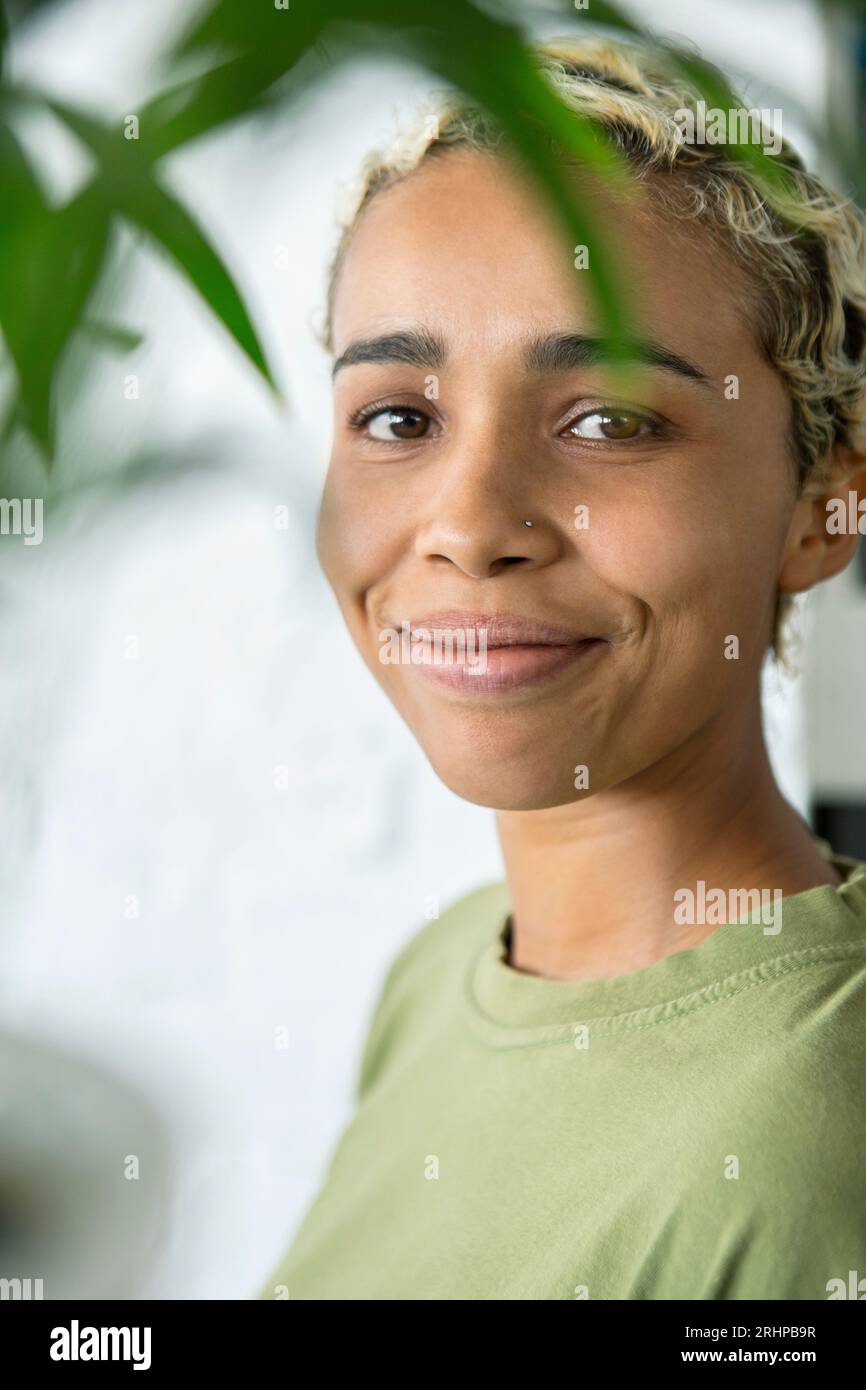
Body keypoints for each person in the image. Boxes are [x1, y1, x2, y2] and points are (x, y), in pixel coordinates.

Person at [262, 35, 866, 1300]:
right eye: (397, 418)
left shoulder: (812, 1147)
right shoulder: (438, 980)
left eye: (608, 421)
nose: (470, 524)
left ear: (822, 504)